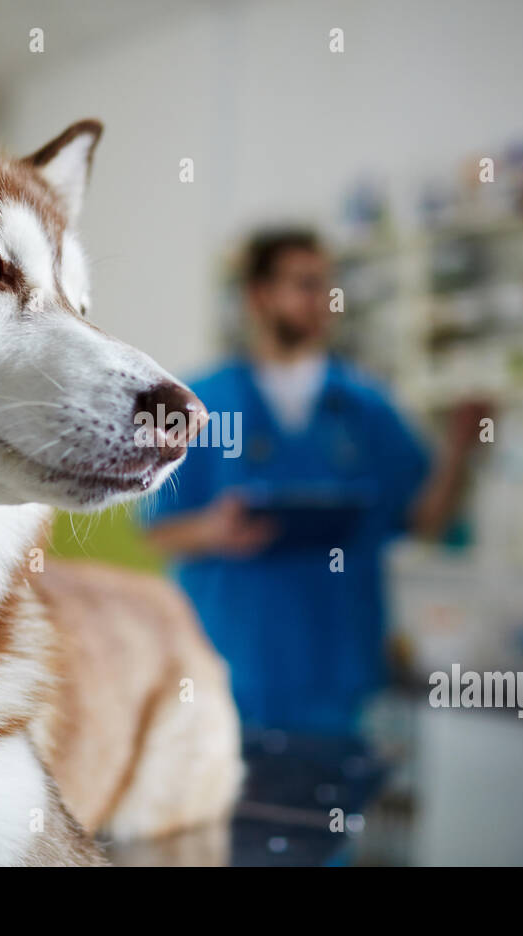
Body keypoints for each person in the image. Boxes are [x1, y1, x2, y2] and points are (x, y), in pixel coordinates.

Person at [143, 229, 484, 737]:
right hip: (229, 676)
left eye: (328, 286)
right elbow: (156, 530)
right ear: (260, 296)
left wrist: (461, 450)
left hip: (337, 681)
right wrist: (213, 531)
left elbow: (425, 522)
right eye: (305, 285)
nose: (325, 301)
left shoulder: (366, 408)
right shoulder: (202, 404)